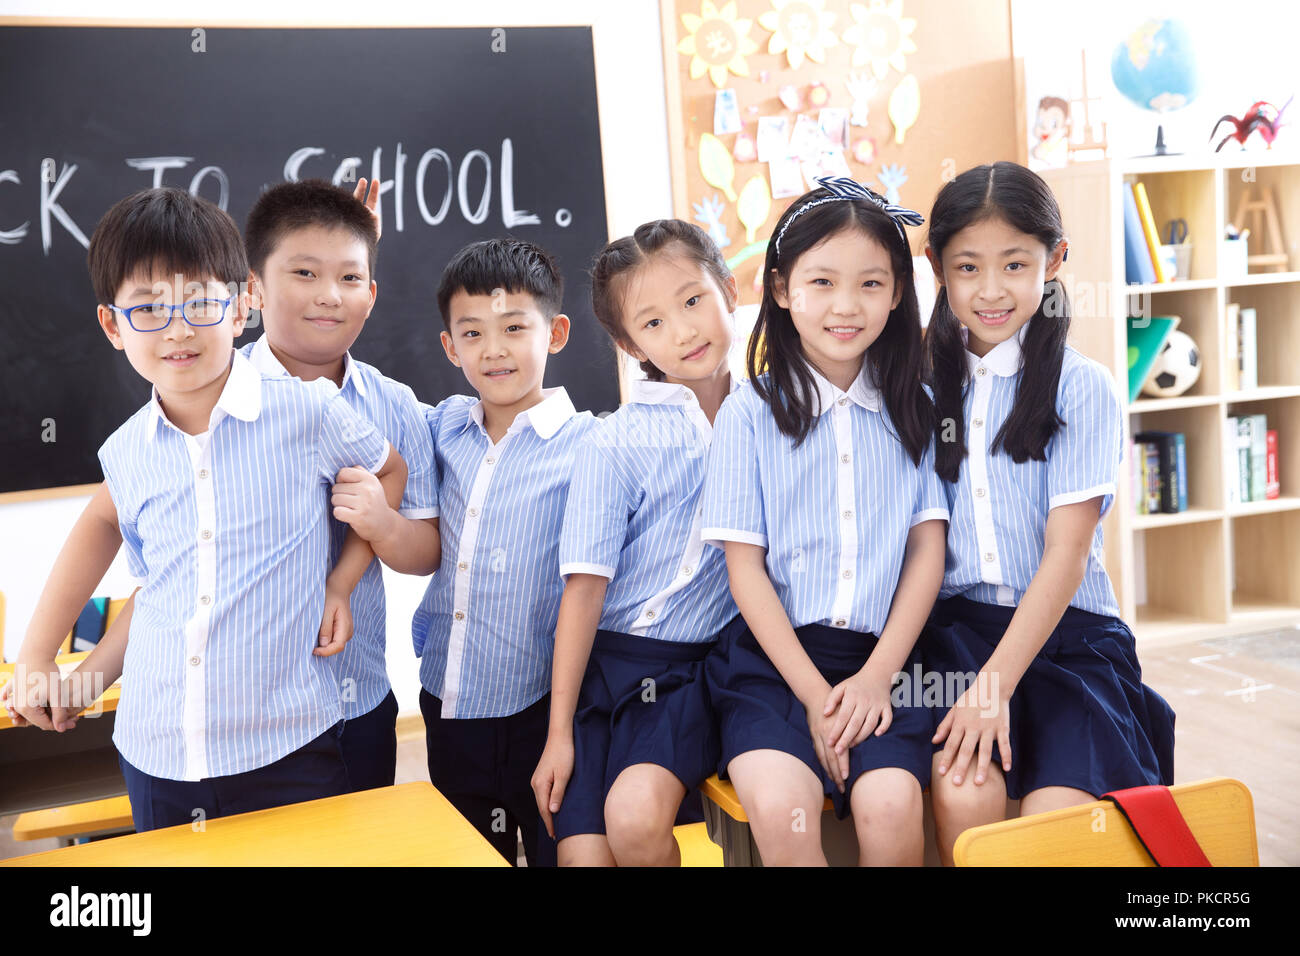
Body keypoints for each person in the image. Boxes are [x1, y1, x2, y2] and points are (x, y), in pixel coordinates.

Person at [5, 187, 406, 831]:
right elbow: (146, 572)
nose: (178, 328)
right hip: (157, 751)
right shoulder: (130, 451)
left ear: (243, 303)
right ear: (112, 326)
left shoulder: (306, 411)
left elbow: (389, 470)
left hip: (289, 746)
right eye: (149, 309)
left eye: (200, 301)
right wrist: (46, 663)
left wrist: (341, 581)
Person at [921, 161, 1175, 865]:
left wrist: (995, 688)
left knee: (1054, 823)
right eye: (967, 267)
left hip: (1070, 639)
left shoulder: (1085, 387)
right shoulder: (919, 387)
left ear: (1055, 260)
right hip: (959, 638)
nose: (991, 289)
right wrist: (976, 687)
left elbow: (1066, 557)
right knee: (965, 793)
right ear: (939, 268)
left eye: (1015, 264)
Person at [701, 178, 948, 865]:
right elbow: (742, 567)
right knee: (784, 815)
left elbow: (927, 551)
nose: (846, 306)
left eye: (871, 284)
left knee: (891, 807)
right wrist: (814, 695)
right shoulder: (749, 411)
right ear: (781, 289)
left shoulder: (918, 406)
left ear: (898, 292)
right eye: (821, 282)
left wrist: (875, 678)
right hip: (774, 665)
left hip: (888, 661)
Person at [532, 219, 743, 866]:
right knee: (583, 857)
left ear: (728, 289)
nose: (682, 331)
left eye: (692, 300)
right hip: (606, 668)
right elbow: (584, 591)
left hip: (693, 672)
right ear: (628, 343)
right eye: (652, 323)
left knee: (634, 821)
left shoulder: (771, 417)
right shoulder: (615, 441)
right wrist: (559, 731)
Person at [240, 178, 440, 791]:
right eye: (303, 272)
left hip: (353, 703)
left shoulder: (394, 404)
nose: (329, 295)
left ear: (372, 295)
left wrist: (382, 523)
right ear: (253, 288)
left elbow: (425, 552)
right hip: (243, 712)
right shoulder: (220, 394)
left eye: (350, 278)